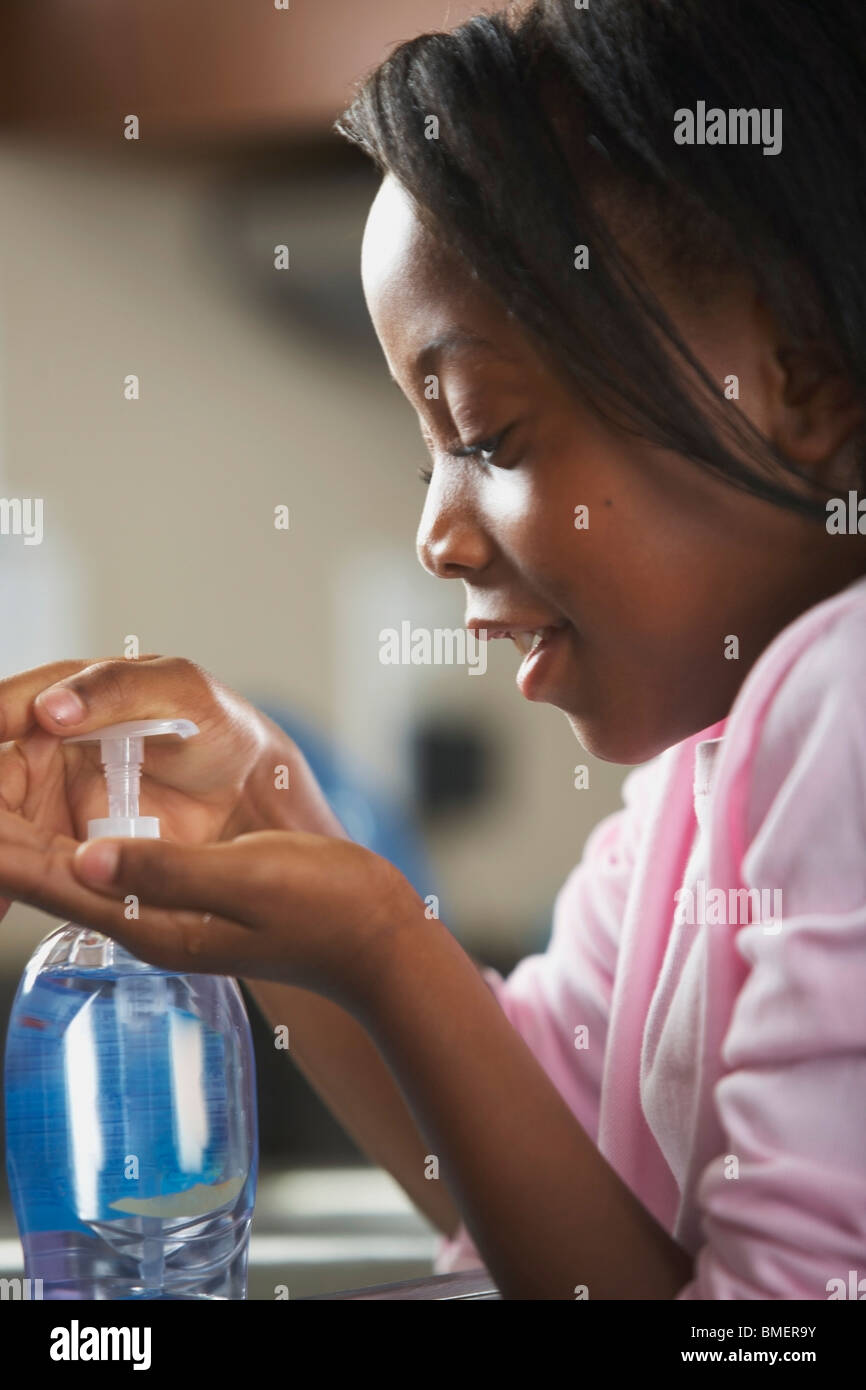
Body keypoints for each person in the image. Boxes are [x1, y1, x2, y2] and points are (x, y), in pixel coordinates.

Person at [1, 0, 865, 1298]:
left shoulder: (846, 701)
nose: (437, 539)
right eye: (426, 455)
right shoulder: (706, 780)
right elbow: (538, 1181)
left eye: (487, 437)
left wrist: (387, 948)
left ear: (800, 390)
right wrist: (264, 830)